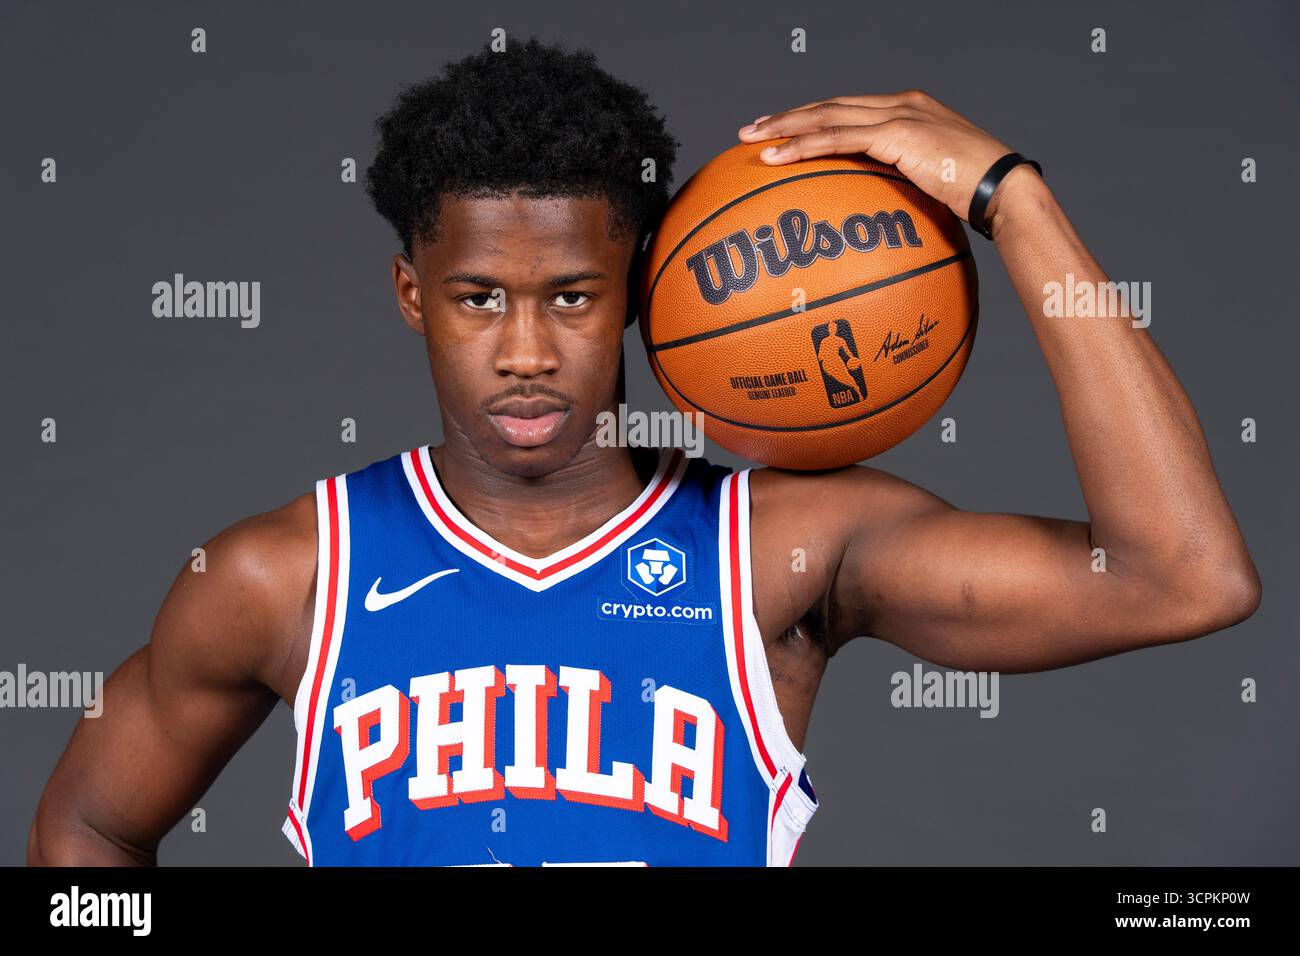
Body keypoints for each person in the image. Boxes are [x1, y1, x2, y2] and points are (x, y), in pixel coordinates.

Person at [28, 38, 1259, 867]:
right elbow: (86, 833)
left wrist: (1013, 201)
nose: (523, 350)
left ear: (638, 295)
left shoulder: (778, 548)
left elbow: (1181, 574)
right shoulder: (281, 577)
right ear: (410, 293)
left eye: (570, 295)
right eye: (475, 298)